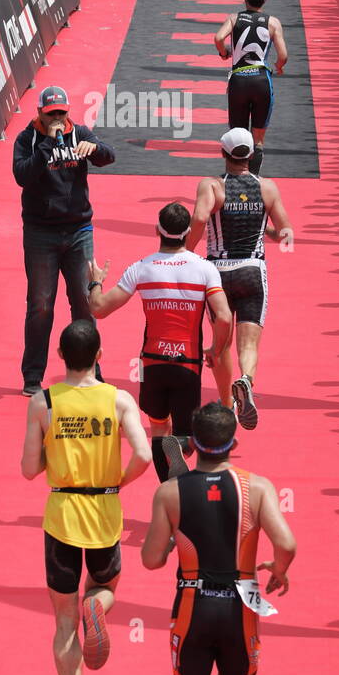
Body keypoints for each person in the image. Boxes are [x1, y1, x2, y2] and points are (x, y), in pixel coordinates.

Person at [141, 401, 296, 675]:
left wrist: (170, 540)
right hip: (241, 601)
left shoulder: (169, 493)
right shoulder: (257, 487)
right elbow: (286, 544)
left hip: (192, 604)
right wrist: (279, 568)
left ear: (193, 441)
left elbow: (150, 561)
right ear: (233, 443)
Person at [20, 319, 151, 675]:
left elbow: (27, 470)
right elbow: (145, 456)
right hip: (104, 512)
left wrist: (53, 447)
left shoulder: (44, 402)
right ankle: (97, 605)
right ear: (99, 355)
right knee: (105, 585)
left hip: (61, 513)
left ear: (59, 357)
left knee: (62, 621)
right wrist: (117, 481)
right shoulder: (119, 400)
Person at [88, 202, 233, 482]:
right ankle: (182, 452)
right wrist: (216, 350)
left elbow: (99, 309)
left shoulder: (142, 268)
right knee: (184, 436)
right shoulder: (204, 269)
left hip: (151, 362)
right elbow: (225, 317)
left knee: (157, 428)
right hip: (188, 365)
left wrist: (96, 282)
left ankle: (169, 491)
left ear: (157, 230)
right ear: (189, 232)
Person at [186, 127, 294, 430]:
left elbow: (198, 218)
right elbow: (285, 233)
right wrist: (265, 230)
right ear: (251, 155)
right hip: (252, 269)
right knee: (249, 344)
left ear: (223, 154)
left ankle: (226, 404)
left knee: (220, 343)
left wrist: (187, 252)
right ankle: (245, 380)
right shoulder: (267, 188)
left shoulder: (212, 186)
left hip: (217, 273)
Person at [12, 85, 115, 396]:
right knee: (41, 305)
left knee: (84, 301)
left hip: (78, 231)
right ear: (40, 112)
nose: (57, 118)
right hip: (40, 233)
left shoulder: (80, 133)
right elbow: (21, 176)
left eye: (61, 113)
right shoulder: (27, 139)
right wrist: (45, 147)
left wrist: (94, 150)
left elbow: (109, 157)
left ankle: (89, 370)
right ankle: (33, 376)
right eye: (51, 113)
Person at [215, 0, 287, 175]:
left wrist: (224, 53)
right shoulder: (273, 22)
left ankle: (234, 181)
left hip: (238, 80)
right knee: (258, 139)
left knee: (237, 136)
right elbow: (283, 55)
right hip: (262, 81)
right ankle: (253, 180)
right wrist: (279, 67)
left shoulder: (234, 18)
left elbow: (219, 37)